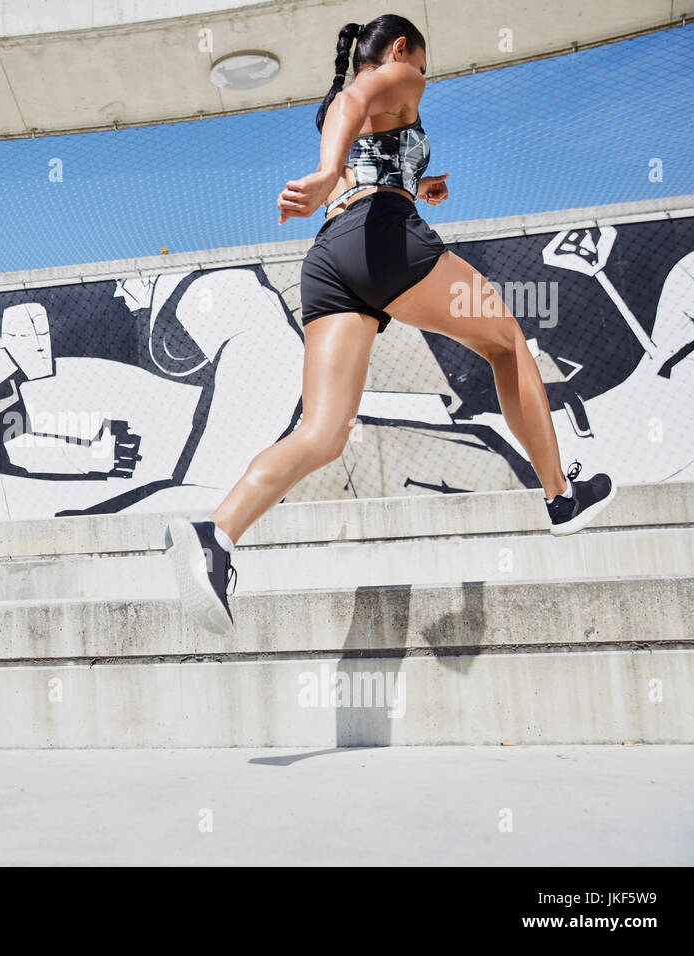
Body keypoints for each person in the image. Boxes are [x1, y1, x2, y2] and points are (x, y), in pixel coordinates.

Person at [165, 14, 616, 635]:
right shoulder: (393, 73)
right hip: (382, 240)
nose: (419, 79)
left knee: (323, 433)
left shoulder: (338, 108)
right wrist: (329, 174)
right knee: (509, 344)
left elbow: (361, 145)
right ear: (401, 49)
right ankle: (561, 497)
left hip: (329, 260)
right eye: (420, 66)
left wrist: (414, 184)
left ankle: (215, 535)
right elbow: (358, 101)